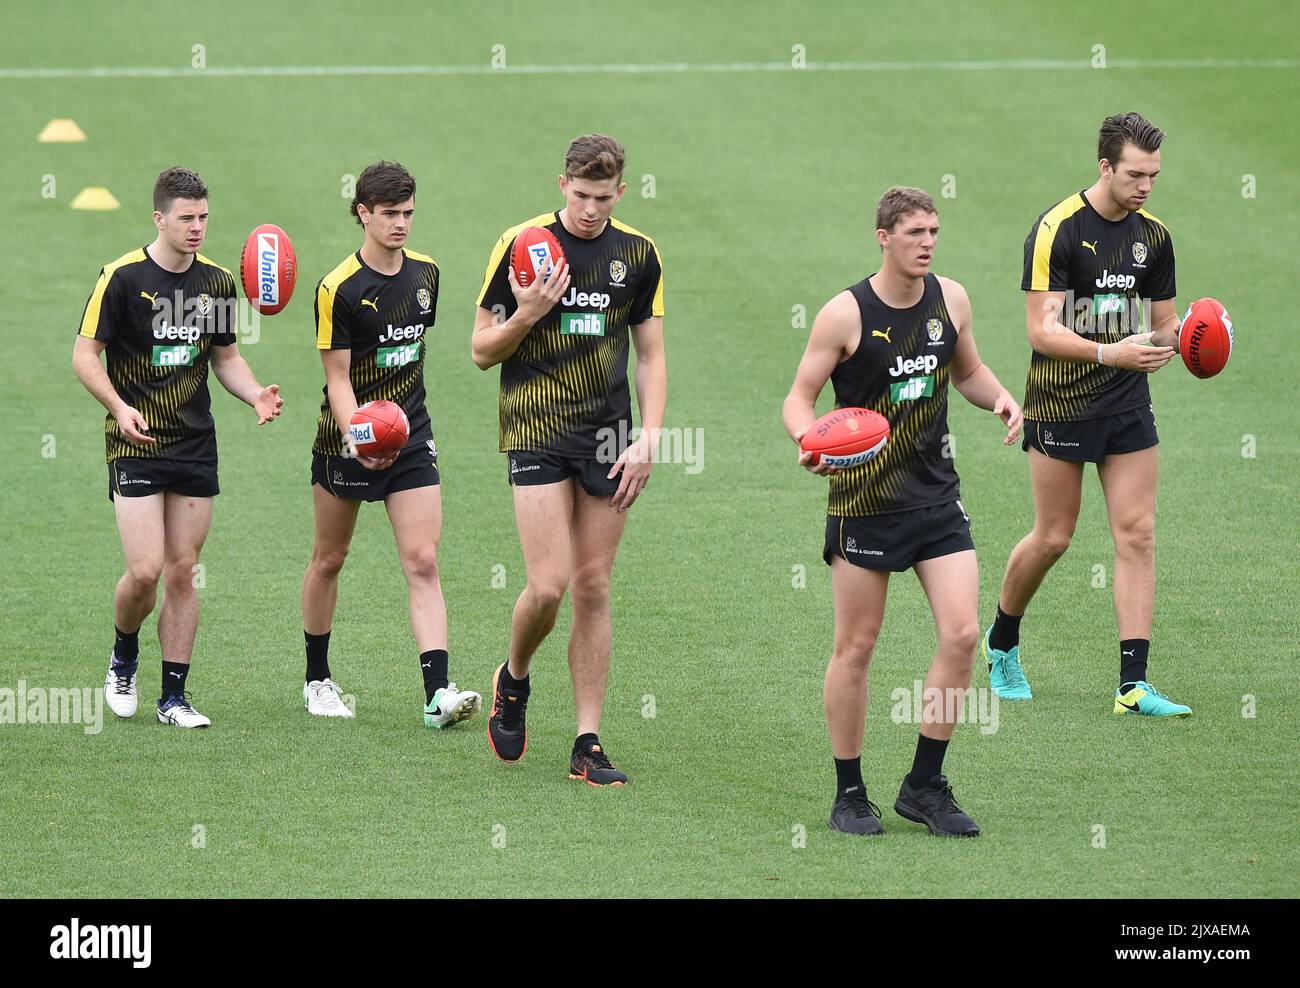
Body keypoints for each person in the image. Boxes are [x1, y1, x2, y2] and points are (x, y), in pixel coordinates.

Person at [783, 186, 1022, 836]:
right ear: (883, 237)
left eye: (934, 231)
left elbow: (967, 370)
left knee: (963, 634)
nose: (927, 243)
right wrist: (810, 442)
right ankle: (850, 790)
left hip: (936, 498)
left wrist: (999, 397)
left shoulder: (952, 299)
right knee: (857, 646)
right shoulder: (844, 314)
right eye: (914, 232)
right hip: (864, 504)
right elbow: (799, 397)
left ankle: (924, 784)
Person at [982, 111, 1192, 718]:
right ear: (1105, 166)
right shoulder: (1059, 229)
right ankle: (1002, 642)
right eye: (1135, 174)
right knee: (1054, 536)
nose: (1146, 185)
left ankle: (1133, 684)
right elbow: (1040, 330)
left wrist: (1196, 336)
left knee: (1138, 532)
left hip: (1127, 403)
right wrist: (1111, 350)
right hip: (1061, 403)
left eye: (1154, 174)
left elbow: (1160, 327)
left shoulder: (1154, 236)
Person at [472, 134, 666, 786]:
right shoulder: (521, 246)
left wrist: (651, 435)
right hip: (535, 428)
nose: (589, 209)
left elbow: (651, 355)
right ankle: (515, 676)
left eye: (602, 199)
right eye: (580, 196)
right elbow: (480, 350)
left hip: (610, 437)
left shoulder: (637, 254)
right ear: (562, 186)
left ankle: (588, 741)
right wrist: (526, 312)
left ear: (621, 193)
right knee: (549, 585)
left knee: (594, 587)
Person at [73, 166, 284, 729]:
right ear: (159, 218)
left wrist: (255, 394)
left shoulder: (216, 281)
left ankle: (173, 697)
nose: (197, 228)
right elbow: (84, 356)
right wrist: (118, 408)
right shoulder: (120, 278)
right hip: (135, 441)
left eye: (204, 218)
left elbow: (225, 358)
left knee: (183, 570)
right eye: (186, 218)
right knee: (144, 571)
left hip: (194, 444)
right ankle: (123, 654)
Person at [301, 161, 480, 728]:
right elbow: (337, 378)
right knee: (330, 558)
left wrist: (394, 436)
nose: (401, 223)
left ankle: (437, 694)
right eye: (389, 214)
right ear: (363, 214)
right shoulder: (339, 289)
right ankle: (317, 680)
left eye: (407, 212)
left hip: (411, 437)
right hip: (347, 442)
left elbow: (413, 353)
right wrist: (359, 438)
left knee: (423, 561)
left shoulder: (426, 274)